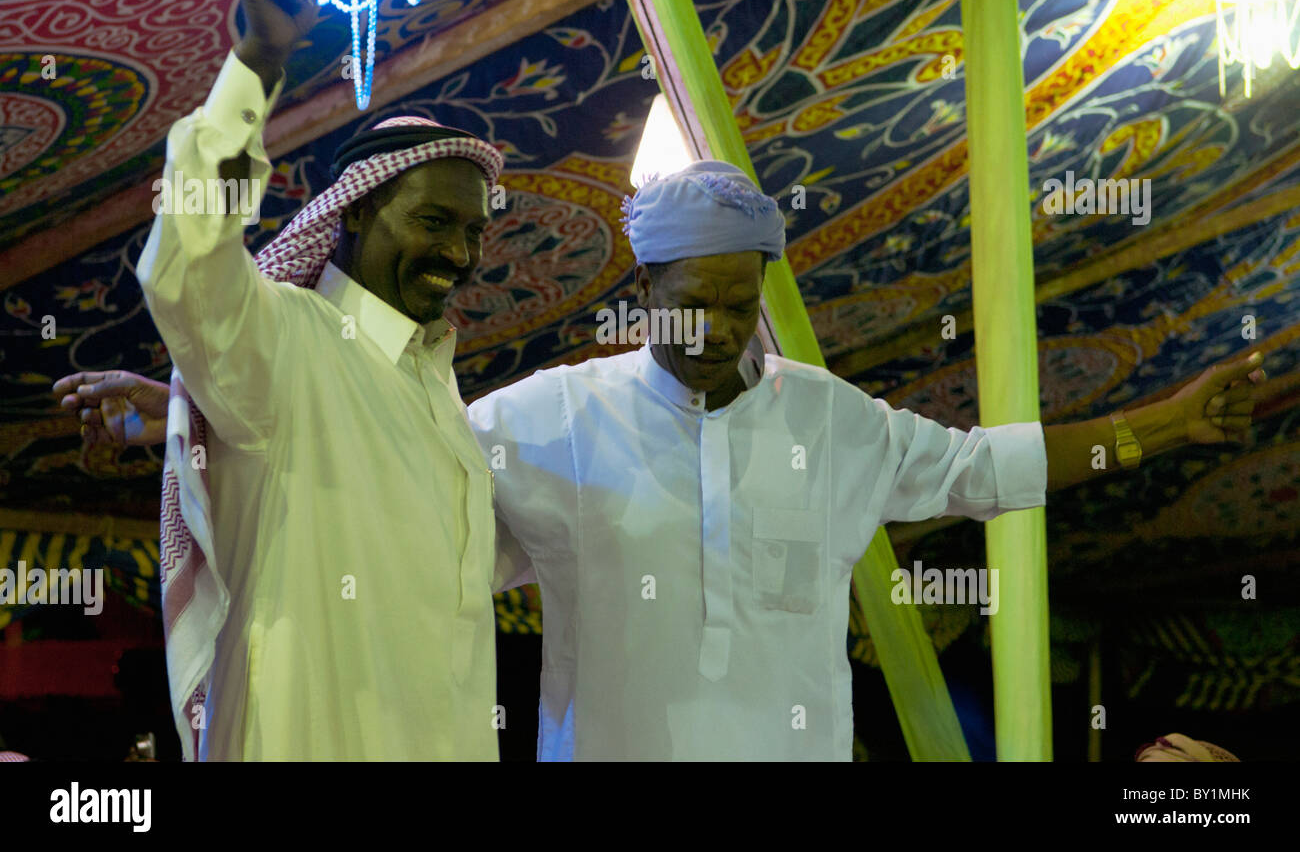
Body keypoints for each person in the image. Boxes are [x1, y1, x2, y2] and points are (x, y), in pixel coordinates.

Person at [67, 163, 1270, 761]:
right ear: (640, 292)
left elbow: (981, 467)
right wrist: (189, 410)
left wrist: (1166, 422)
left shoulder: (838, 423)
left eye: (737, 305)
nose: (711, 331)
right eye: (686, 303)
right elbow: (374, 484)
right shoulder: (542, 417)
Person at [104, 0, 529, 761]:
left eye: (474, 230)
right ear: (358, 209)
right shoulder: (290, 347)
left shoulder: (445, 409)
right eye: (435, 221)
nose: (460, 252)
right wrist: (259, 60)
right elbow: (187, 262)